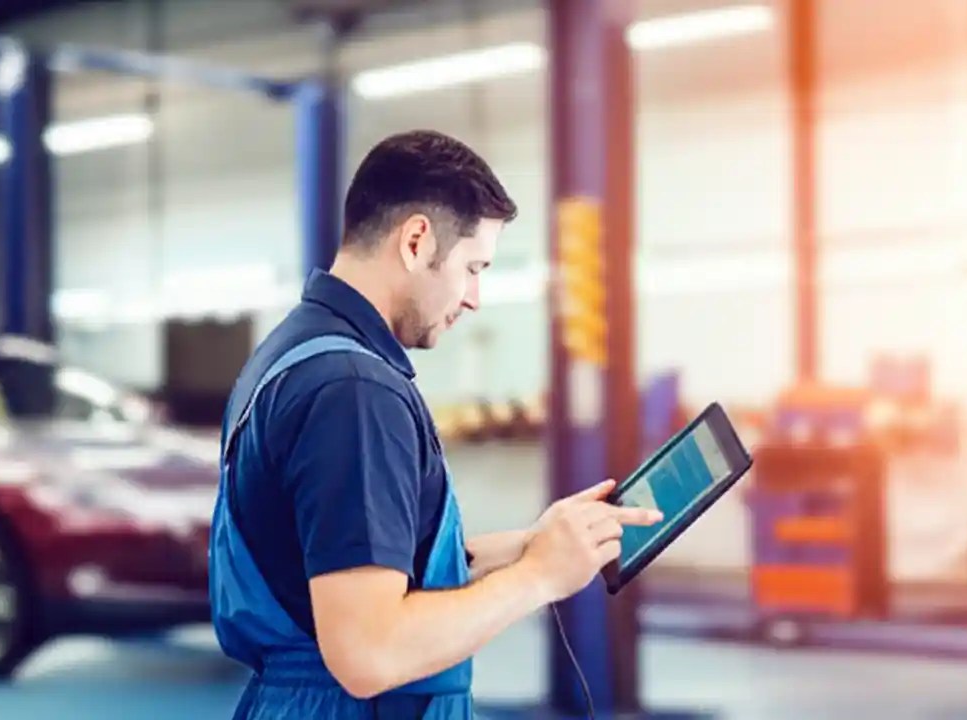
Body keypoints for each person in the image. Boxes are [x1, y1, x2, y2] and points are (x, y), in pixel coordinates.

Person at [209, 129, 662, 719]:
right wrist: (536, 577)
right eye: (473, 266)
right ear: (418, 240)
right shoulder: (353, 390)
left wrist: (535, 543)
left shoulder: (295, 354)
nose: (474, 297)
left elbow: (363, 564)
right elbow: (368, 652)